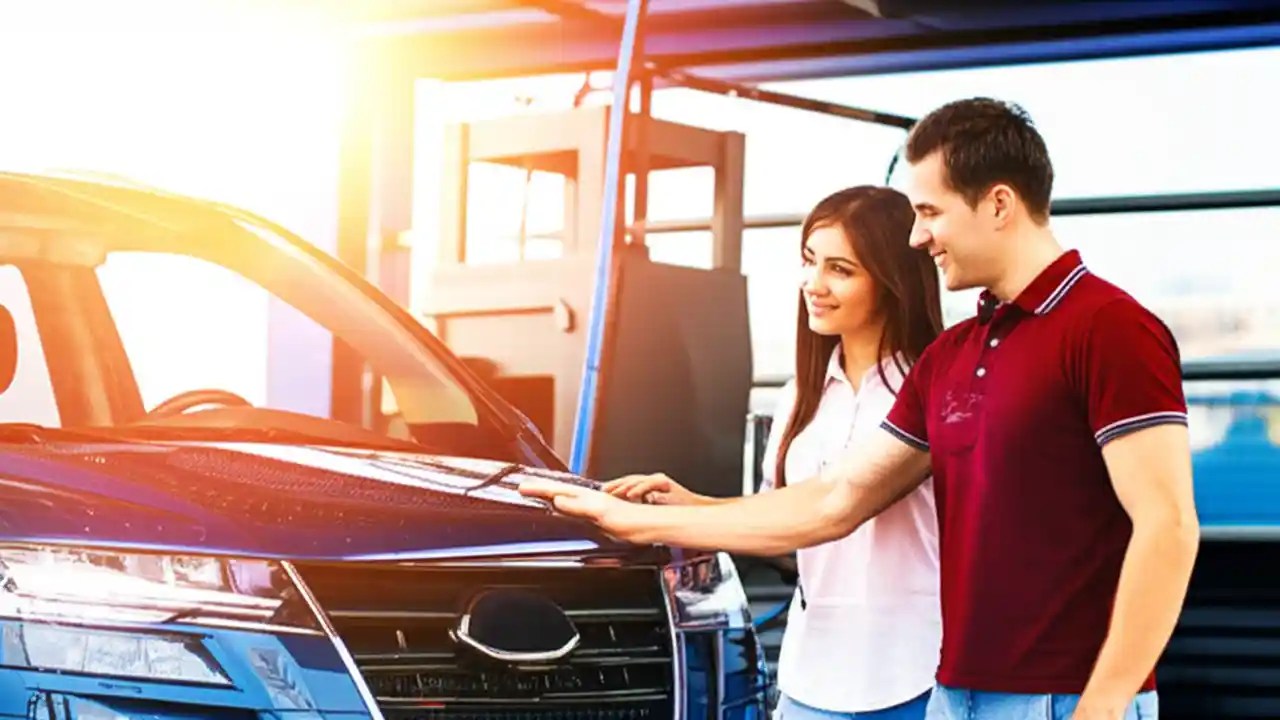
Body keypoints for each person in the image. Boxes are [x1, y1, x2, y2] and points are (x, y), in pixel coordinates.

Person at [520, 98, 1199, 720]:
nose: (916, 238)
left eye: (930, 213)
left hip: (1063, 700)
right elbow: (833, 501)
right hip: (953, 696)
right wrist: (633, 519)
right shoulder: (953, 356)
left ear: (998, 205)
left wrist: (1106, 703)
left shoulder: (1109, 328)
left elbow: (1167, 526)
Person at [609, 185, 944, 719]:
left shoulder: (934, 389)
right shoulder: (798, 396)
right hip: (812, 679)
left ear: (891, 280)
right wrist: (691, 504)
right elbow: (785, 525)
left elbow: (828, 511)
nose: (814, 284)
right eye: (810, 262)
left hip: (915, 678)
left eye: (841, 269)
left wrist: (644, 524)